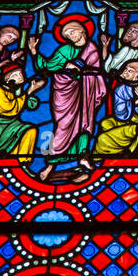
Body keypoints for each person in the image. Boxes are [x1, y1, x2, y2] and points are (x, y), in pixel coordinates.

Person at [31, 18, 107, 182]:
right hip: (66, 94)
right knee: (63, 128)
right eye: (67, 34)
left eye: (73, 31)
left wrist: (79, 67)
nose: (70, 36)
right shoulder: (65, 50)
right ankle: (50, 166)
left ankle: (83, 160)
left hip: (86, 93)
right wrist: (34, 52)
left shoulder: (92, 49)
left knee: (85, 125)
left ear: (83, 31)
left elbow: (98, 70)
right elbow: (47, 66)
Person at [94, 60, 138, 156]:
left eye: (130, 71)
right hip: (126, 120)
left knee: (102, 139)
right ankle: (120, 150)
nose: (125, 72)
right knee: (105, 123)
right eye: (125, 69)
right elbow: (121, 115)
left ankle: (97, 159)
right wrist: (137, 102)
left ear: (137, 75)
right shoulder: (121, 89)